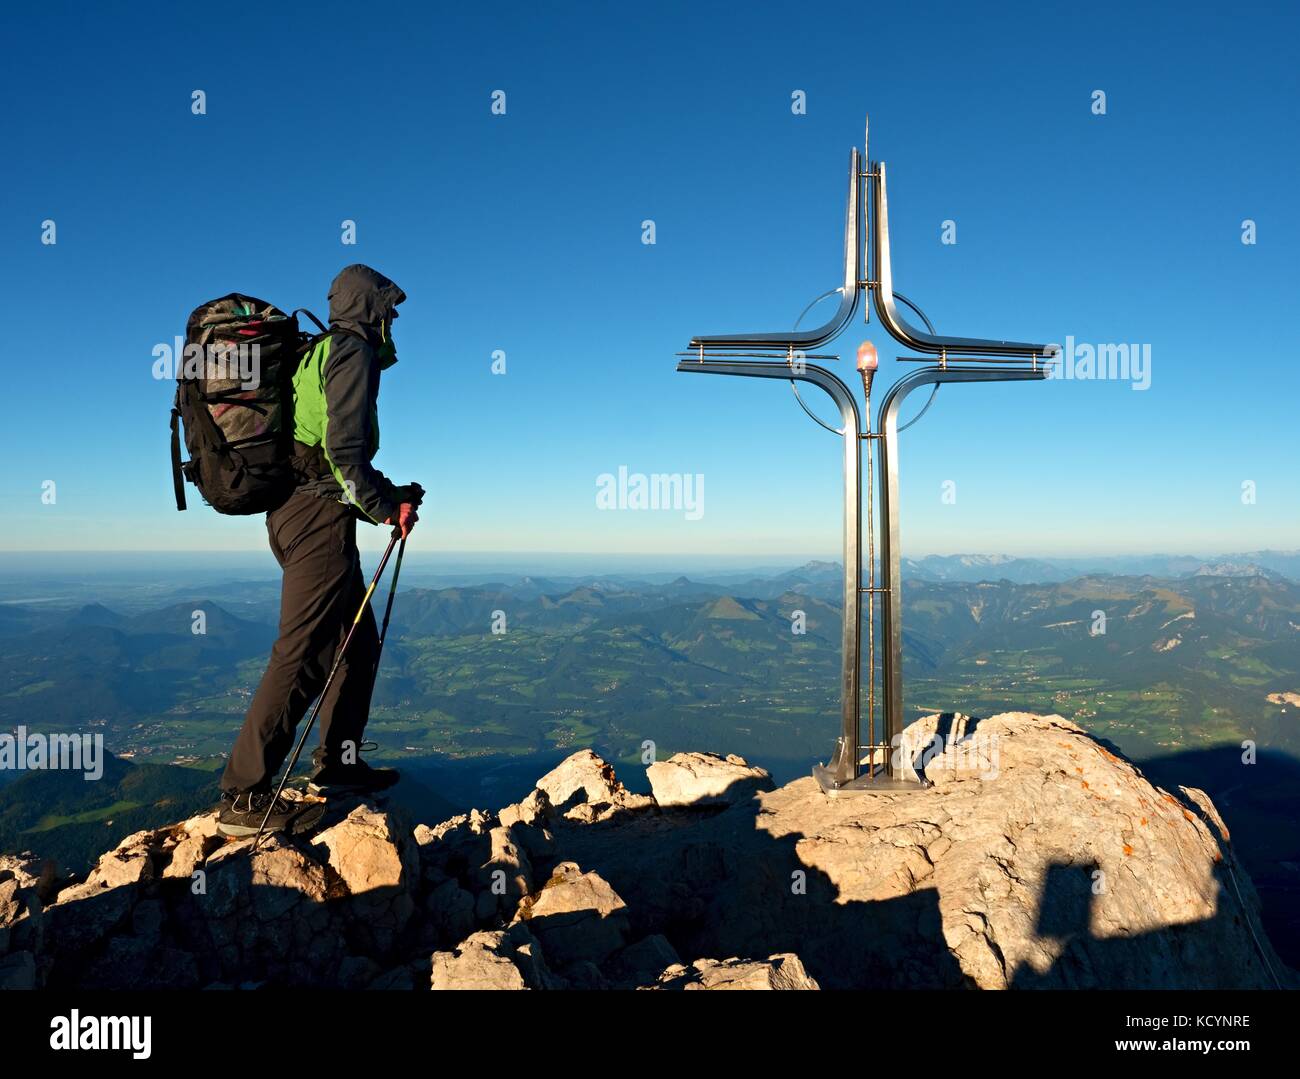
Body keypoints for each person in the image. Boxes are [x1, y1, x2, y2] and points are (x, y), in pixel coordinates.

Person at [216, 264, 423, 837]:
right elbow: (344, 453)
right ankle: (244, 793)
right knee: (304, 651)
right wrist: (385, 507)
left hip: (295, 513)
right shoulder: (350, 352)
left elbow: (327, 459)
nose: (395, 318)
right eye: (390, 306)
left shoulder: (317, 352)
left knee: (356, 642)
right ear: (370, 306)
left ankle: (340, 764)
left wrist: (390, 495)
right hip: (316, 520)